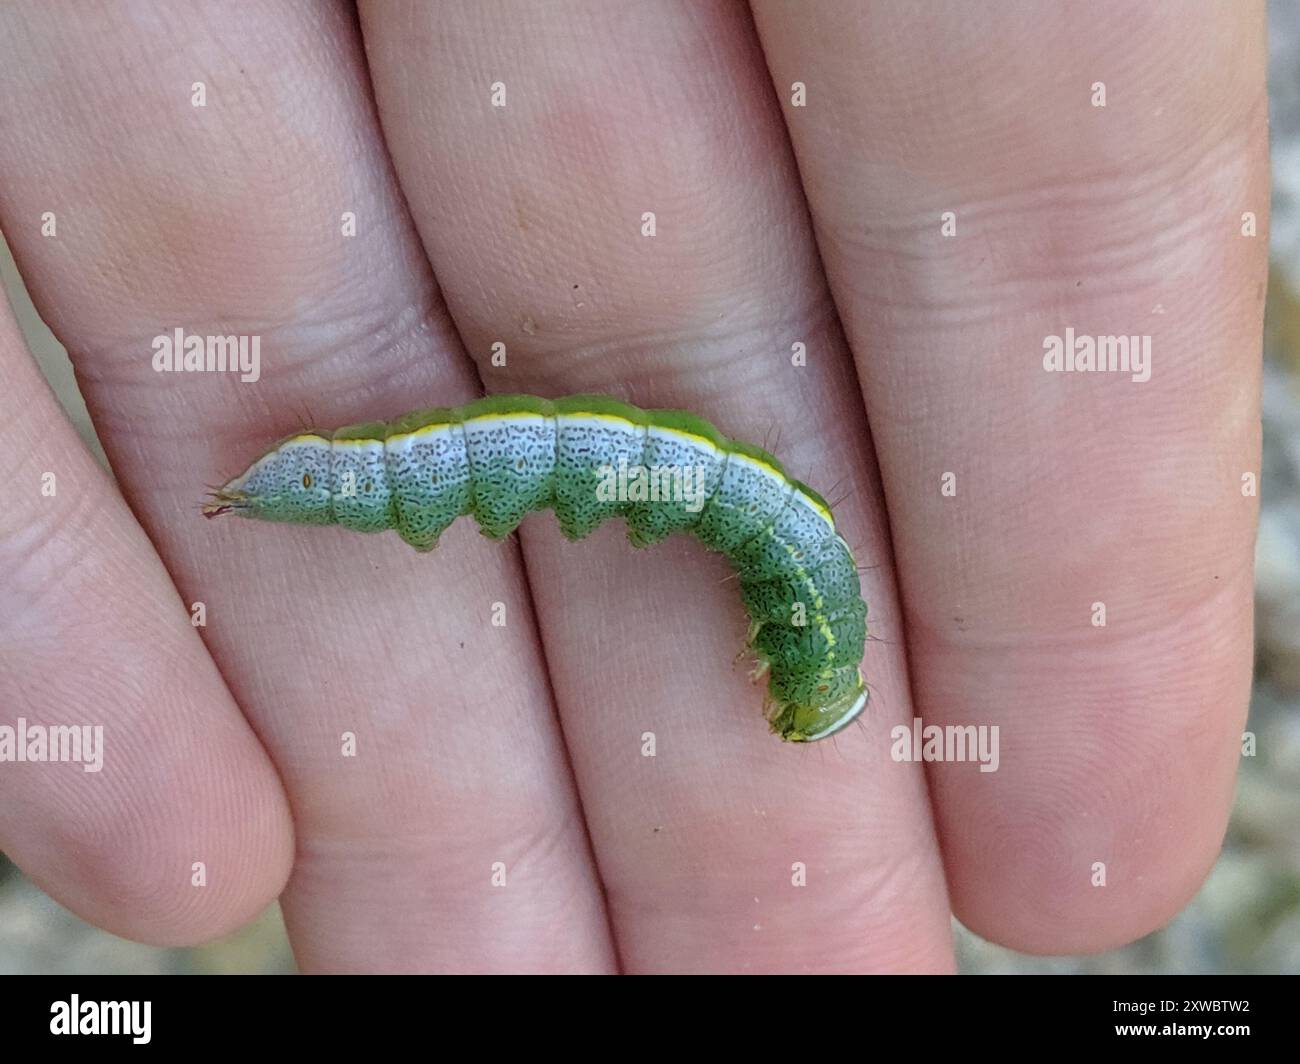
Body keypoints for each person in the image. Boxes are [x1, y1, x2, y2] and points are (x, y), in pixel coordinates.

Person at [0, 0, 1268, 973]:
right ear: (794, 634)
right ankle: (318, 485)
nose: (779, 675)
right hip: (403, 469)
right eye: (800, 680)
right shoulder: (772, 546)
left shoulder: (762, 535)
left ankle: (318, 486)